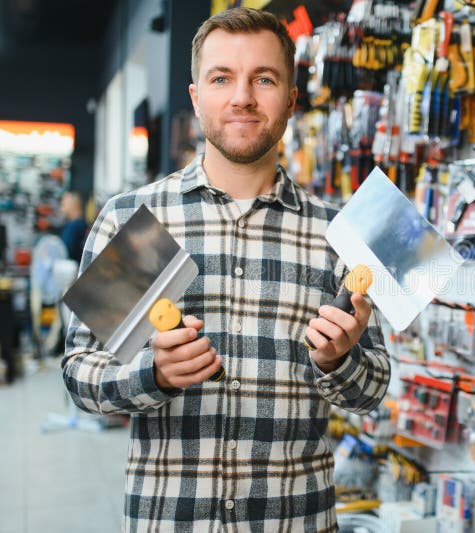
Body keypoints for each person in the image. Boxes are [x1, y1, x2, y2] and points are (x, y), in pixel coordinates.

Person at [62, 8, 390, 532]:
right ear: (196, 97)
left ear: (290, 98)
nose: (242, 97)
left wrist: (339, 362)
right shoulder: (139, 221)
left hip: (296, 521)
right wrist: (155, 374)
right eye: (221, 78)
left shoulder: (340, 234)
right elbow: (81, 376)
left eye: (264, 78)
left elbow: (371, 391)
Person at [59, 191, 88, 263]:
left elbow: (64, 253)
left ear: (74, 205)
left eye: (64, 204)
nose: (61, 207)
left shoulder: (73, 227)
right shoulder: (83, 224)